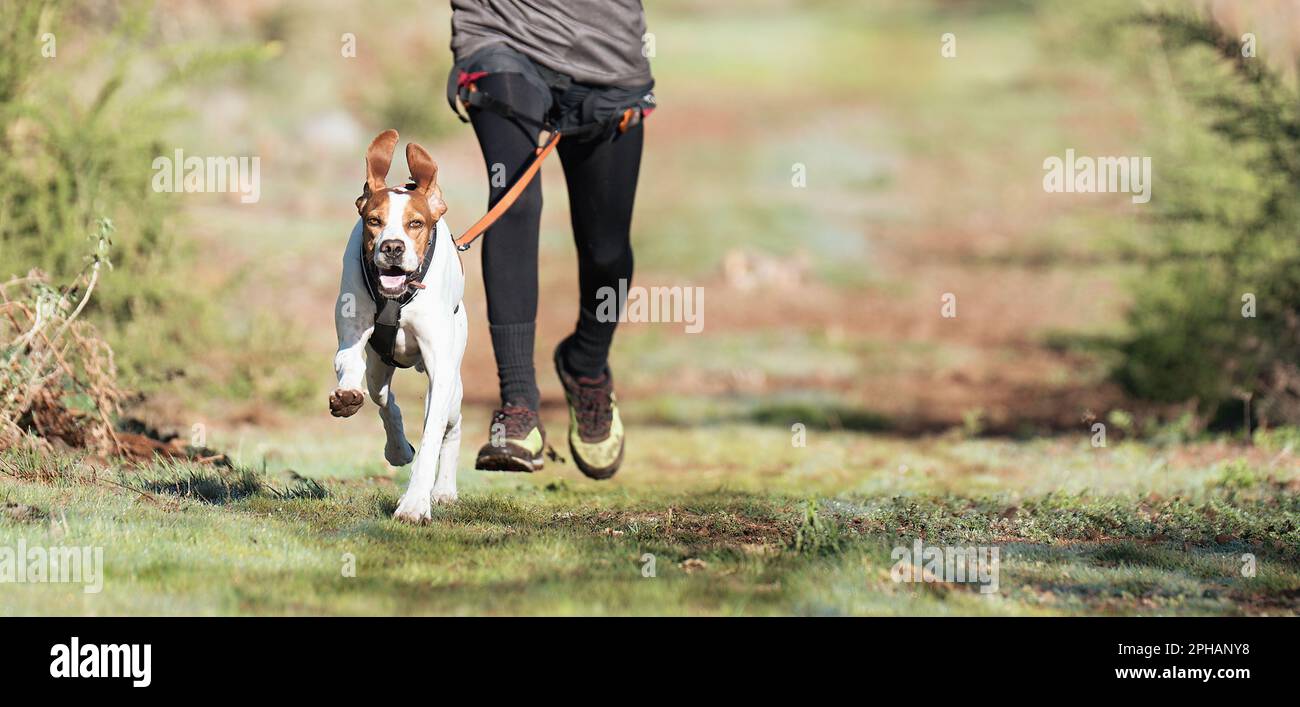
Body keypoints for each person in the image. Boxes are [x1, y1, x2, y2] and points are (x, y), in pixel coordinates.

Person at [446, 1, 656, 479]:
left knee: (606, 248)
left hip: (607, 57)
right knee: (514, 199)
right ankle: (517, 405)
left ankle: (586, 364)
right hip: (498, 33)